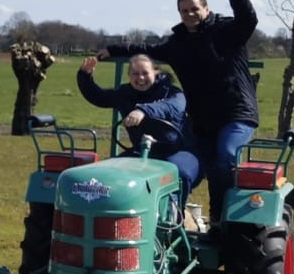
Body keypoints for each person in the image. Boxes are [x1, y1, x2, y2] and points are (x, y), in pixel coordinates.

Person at [107, 0, 259, 219]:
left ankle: (223, 223)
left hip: (236, 113)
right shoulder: (177, 44)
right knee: (183, 166)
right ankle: (169, 221)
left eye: (194, 9)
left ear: (206, 9)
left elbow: (248, 20)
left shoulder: (227, 31)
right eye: (184, 10)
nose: (189, 14)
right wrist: (112, 50)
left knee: (225, 158)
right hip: (203, 119)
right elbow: (146, 48)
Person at [77, 54, 201, 190]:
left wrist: (142, 111)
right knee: (107, 174)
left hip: (179, 151)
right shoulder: (124, 93)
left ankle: (177, 210)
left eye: (145, 73)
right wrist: (85, 76)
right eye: (135, 73)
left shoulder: (174, 93)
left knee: (179, 174)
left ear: (156, 72)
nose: (140, 78)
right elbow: (99, 97)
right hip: (143, 151)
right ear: (129, 75)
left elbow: (171, 107)